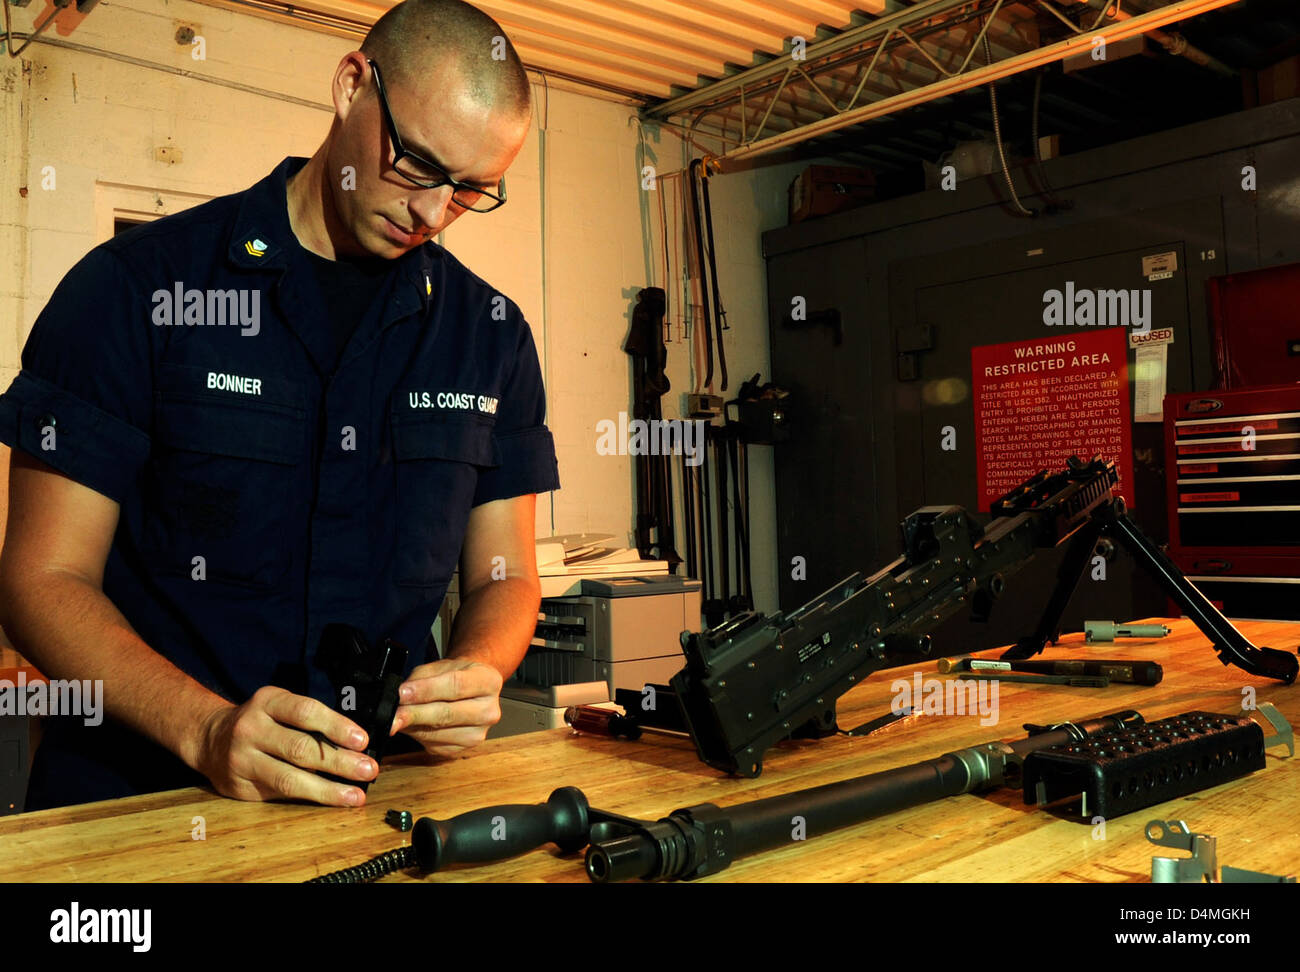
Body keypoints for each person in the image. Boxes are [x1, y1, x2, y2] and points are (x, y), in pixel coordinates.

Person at [0, 0, 557, 810]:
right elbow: (40, 578)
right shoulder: (137, 289)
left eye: (472, 191)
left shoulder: (489, 335)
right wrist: (207, 730)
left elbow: (506, 575)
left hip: (373, 808)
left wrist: (481, 666)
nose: (433, 215)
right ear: (350, 86)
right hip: (142, 807)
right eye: (418, 167)